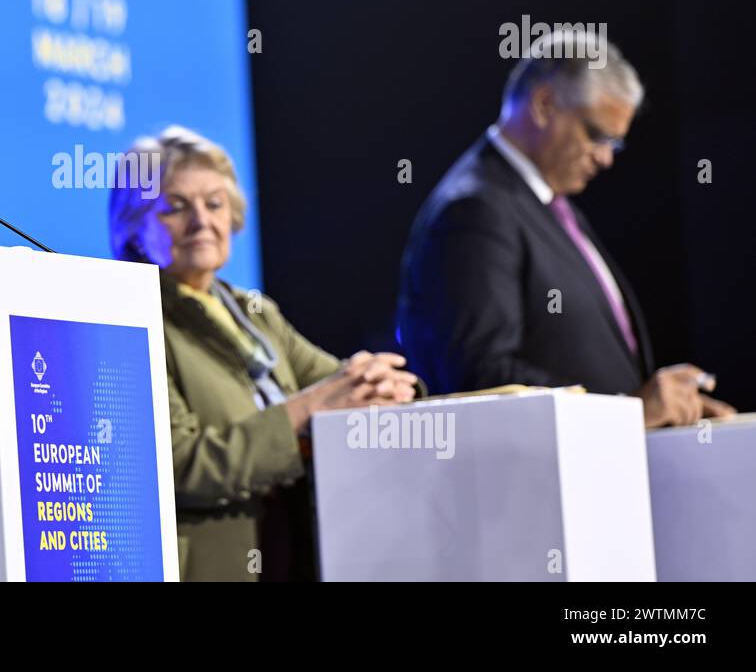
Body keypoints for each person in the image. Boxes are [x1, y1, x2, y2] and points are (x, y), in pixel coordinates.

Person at [109, 126, 419, 581]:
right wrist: (307, 408)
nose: (201, 221)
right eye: (175, 207)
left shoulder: (254, 313)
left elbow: (340, 381)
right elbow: (181, 465)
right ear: (134, 229)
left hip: (301, 552)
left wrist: (389, 385)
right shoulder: (129, 319)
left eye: (214, 203)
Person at [396, 31, 735, 427]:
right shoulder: (474, 210)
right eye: (596, 135)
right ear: (543, 105)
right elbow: (482, 379)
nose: (606, 158)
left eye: (615, 144)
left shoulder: (547, 204)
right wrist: (630, 412)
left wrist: (656, 410)